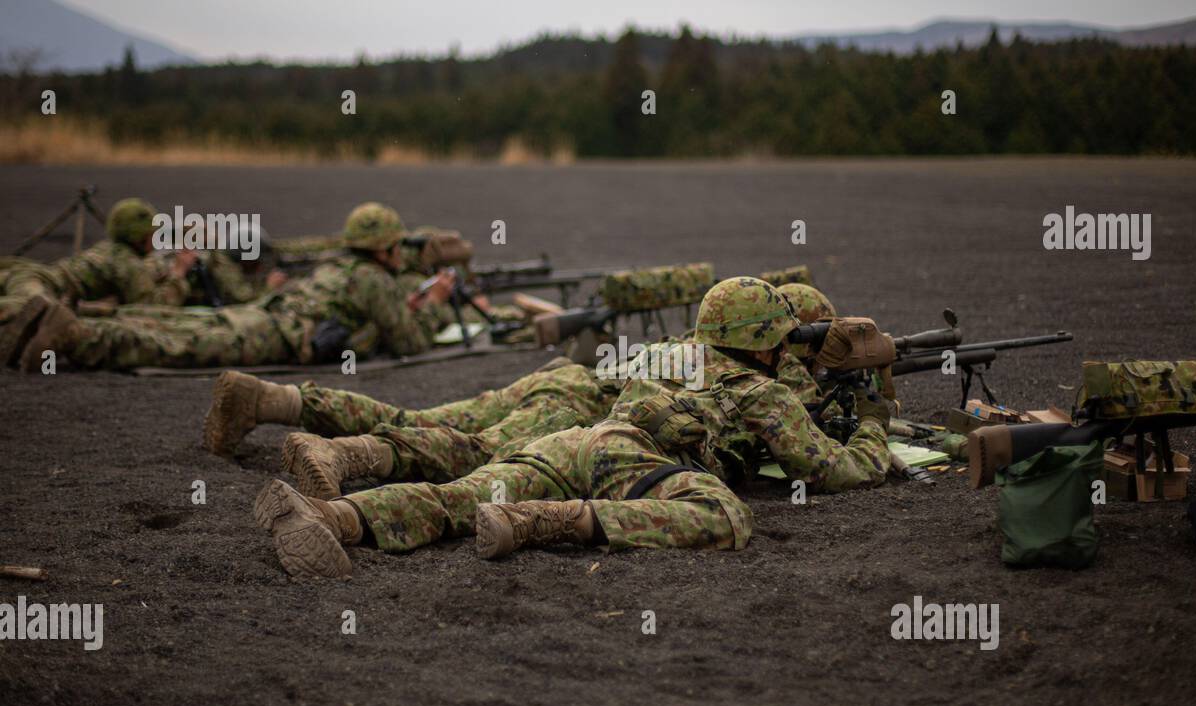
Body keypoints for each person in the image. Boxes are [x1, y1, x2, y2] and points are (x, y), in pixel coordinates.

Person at [251, 276, 890, 579]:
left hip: (578, 437)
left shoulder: (672, 353)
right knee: (727, 516)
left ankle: (327, 516)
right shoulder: (763, 390)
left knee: (460, 494)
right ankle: (558, 521)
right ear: (767, 343)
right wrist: (872, 422)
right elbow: (835, 471)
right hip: (634, 462)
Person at [207, 284, 840, 499]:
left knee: (421, 415)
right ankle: (339, 457)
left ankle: (272, 400)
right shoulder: (764, 374)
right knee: (469, 450)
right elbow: (804, 443)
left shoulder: (709, 336)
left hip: (570, 380)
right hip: (577, 408)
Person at [6, 203, 448, 373]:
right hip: (271, 333)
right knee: (173, 347)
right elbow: (409, 343)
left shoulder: (342, 265)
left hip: (265, 315)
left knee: (177, 328)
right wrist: (433, 305)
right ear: (387, 247)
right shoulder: (374, 278)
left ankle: (60, 323)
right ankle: (74, 334)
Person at [0, 198, 195, 359]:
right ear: (140, 237)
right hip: (39, 281)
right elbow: (152, 307)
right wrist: (179, 273)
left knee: (32, 311)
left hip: (29, 274)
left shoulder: (110, 249)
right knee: (35, 309)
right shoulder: (126, 262)